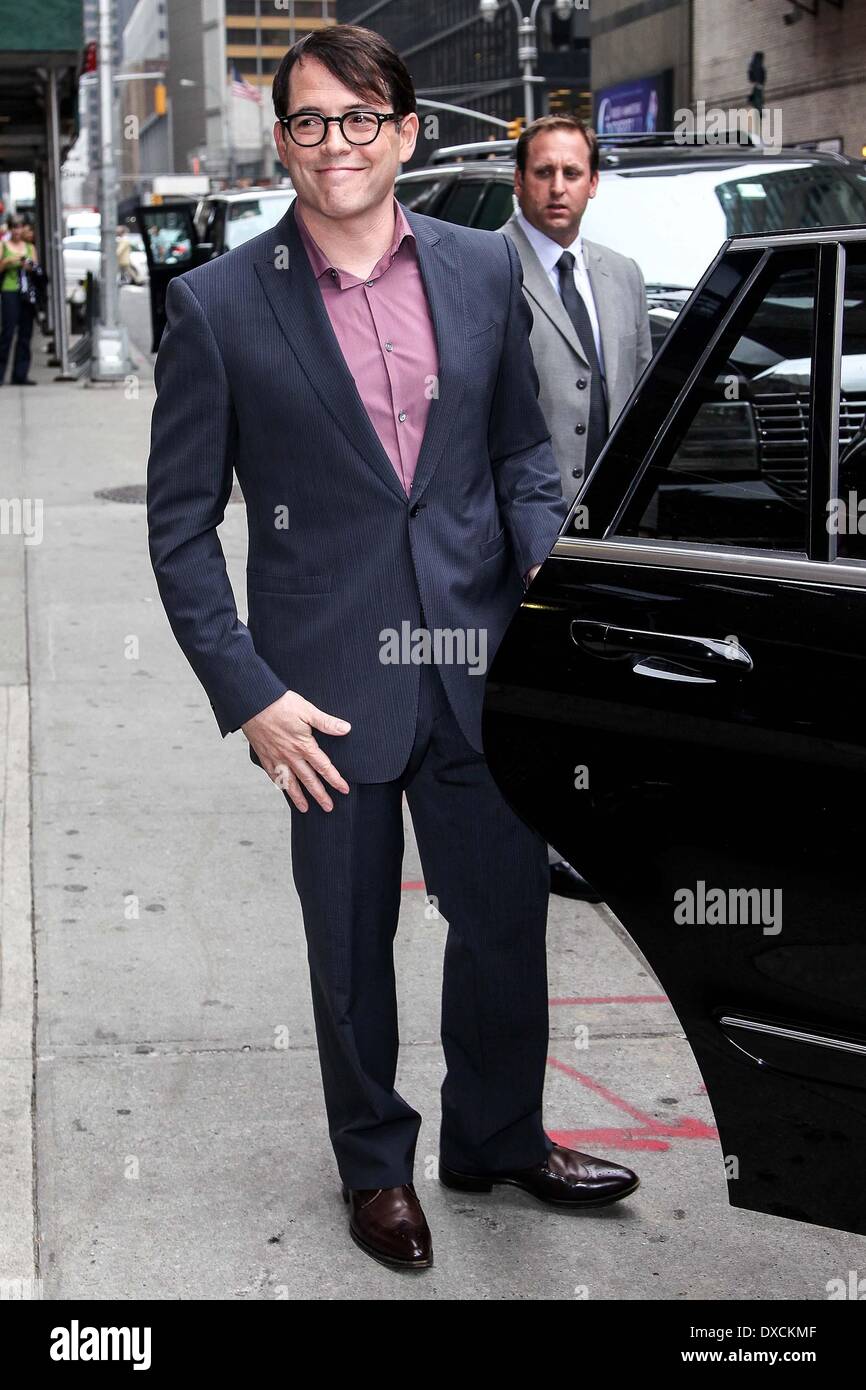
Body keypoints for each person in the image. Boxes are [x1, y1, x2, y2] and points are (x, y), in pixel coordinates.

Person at [146, 23, 640, 1274]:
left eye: (361, 118)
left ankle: (496, 1138)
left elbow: (523, 450)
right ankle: (376, 1165)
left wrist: (541, 558)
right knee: (349, 945)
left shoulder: (481, 270)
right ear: (284, 142)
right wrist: (247, 693)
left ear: (406, 134)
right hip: (325, 690)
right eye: (310, 121)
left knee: (503, 923)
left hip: (480, 659)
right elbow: (180, 533)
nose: (336, 143)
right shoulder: (215, 307)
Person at [502, 116, 653, 902]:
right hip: (522, 533)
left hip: (609, 530)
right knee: (536, 697)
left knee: (597, 692)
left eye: (572, 173)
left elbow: (639, 392)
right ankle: (535, 842)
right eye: (543, 173)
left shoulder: (622, 274)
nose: (558, 187)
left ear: (594, 183)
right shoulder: (490, 268)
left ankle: (588, 831)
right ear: (519, 181)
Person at [0, 217, 38, 386]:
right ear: (9, 229)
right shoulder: (3, 246)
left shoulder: (30, 247)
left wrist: (28, 265)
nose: (16, 231)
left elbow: (36, 268)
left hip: (26, 293)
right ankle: (1, 373)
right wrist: (9, 261)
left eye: (19, 227)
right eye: (13, 228)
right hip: (10, 290)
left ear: (23, 229)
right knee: (8, 332)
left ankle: (20, 374)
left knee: (25, 333)